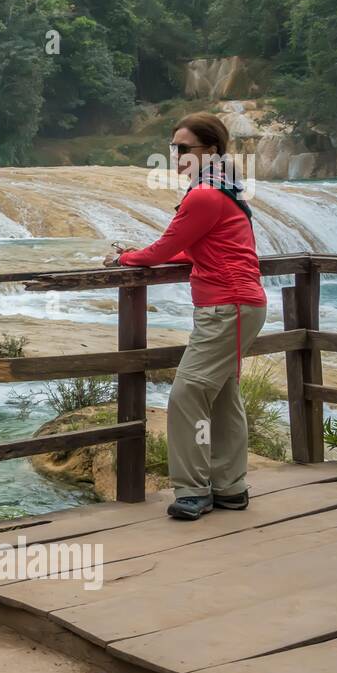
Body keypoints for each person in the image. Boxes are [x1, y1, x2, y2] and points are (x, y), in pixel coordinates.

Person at [104, 112, 267, 521]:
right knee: (224, 395)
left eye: (183, 148)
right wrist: (142, 256)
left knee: (186, 395)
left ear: (209, 150)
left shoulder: (205, 195)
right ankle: (231, 488)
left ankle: (194, 491)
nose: (175, 155)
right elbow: (190, 248)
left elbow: (163, 249)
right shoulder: (226, 189)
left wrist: (125, 258)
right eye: (173, 148)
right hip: (242, 305)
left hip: (226, 307)